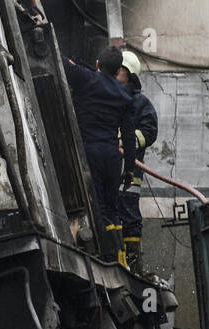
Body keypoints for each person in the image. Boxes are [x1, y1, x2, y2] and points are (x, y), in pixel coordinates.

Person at [64, 47, 137, 265]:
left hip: (90, 153)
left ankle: (107, 259)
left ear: (97, 64)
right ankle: (121, 260)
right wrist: (130, 168)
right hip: (113, 157)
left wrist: (40, 24)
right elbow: (129, 135)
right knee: (113, 207)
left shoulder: (86, 79)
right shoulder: (124, 95)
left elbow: (59, 60)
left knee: (99, 208)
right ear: (117, 72)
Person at [114, 50, 157, 272]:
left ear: (127, 73)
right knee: (109, 211)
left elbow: (150, 131)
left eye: (118, 70)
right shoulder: (107, 95)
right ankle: (116, 260)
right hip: (107, 168)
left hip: (128, 172)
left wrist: (126, 141)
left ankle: (133, 263)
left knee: (129, 214)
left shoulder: (140, 103)